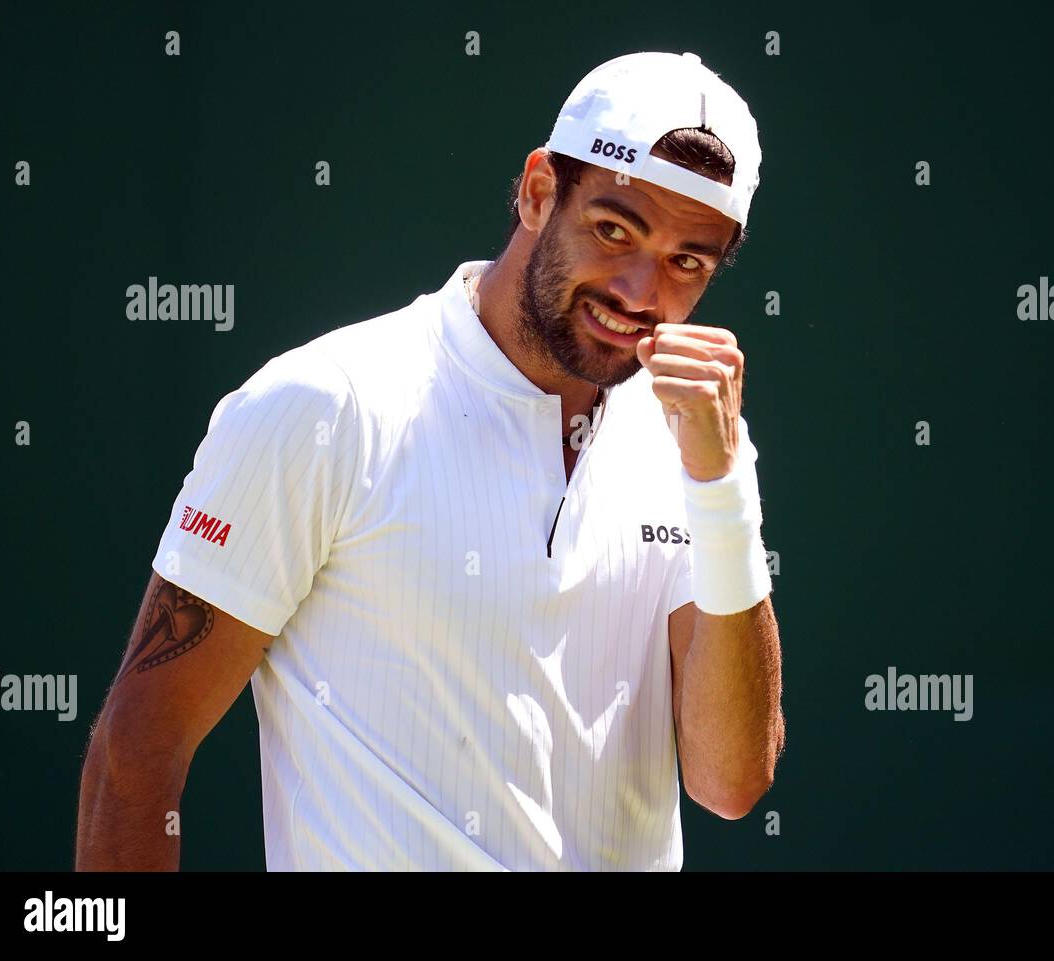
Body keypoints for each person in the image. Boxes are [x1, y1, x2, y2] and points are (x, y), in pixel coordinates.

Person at [76, 50, 783, 871]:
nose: (638, 288)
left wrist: (721, 482)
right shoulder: (325, 403)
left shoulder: (701, 447)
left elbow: (730, 781)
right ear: (538, 191)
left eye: (685, 262)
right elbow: (137, 746)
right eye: (614, 229)